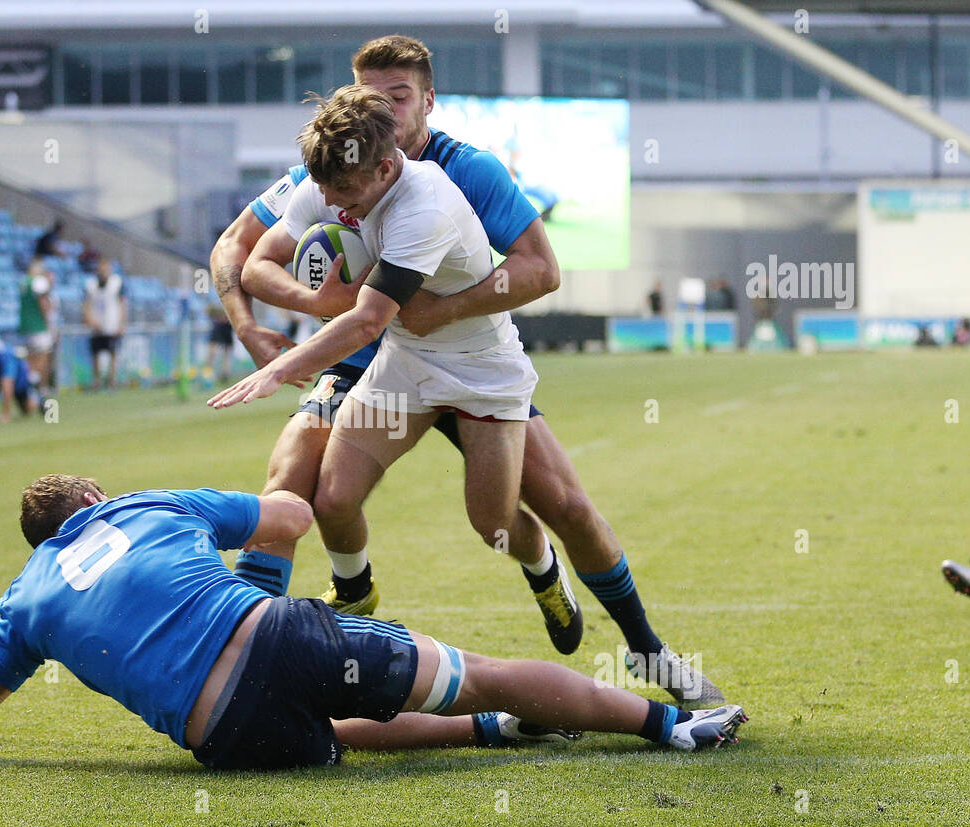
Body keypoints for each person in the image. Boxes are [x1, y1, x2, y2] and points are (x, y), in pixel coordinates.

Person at [208, 35, 720, 705]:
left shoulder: (460, 175)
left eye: (398, 97)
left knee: (537, 511)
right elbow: (240, 252)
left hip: (471, 360)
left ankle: (641, 646)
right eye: (370, 96)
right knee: (305, 480)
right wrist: (289, 309)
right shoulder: (334, 165)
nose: (385, 109)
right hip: (382, 353)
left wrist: (443, 309)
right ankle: (330, 615)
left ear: (427, 101)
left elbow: (542, 269)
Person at [0, 475, 748, 769]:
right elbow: (288, 514)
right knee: (480, 671)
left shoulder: (23, 599)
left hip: (229, 739)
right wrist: (256, 583)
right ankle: (671, 724)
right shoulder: (147, 504)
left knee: (330, 728)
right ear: (94, 501)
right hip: (279, 637)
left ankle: (494, 732)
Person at [214, 85, 574, 674]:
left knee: (493, 522)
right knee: (332, 498)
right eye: (326, 190)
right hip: (405, 362)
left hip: (478, 368)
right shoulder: (332, 178)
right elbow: (256, 264)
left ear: (386, 167)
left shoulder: (423, 204)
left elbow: (367, 319)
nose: (335, 204)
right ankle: (358, 595)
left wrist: (281, 366)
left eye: (346, 194)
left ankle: (545, 573)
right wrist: (312, 298)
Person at [82, 258, 126, 390]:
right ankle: (97, 381)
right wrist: (89, 319)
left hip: (112, 324)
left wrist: (121, 324)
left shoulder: (116, 283)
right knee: (95, 354)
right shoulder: (91, 285)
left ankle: (112, 381)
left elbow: (123, 304)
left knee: (112, 353)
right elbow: (86, 304)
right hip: (97, 325)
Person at [18, 258, 55, 392]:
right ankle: (41, 387)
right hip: (38, 326)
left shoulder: (23, 283)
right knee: (42, 357)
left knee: (30, 359)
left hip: (25, 325)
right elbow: (43, 304)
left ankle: (28, 387)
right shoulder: (38, 282)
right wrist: (48, 319)